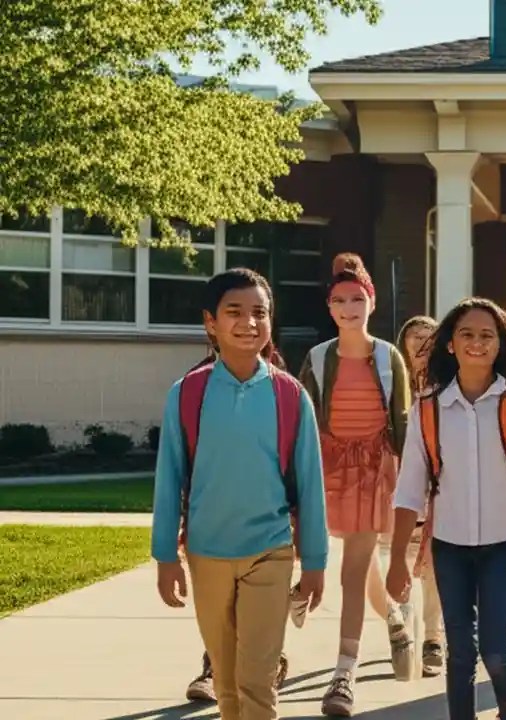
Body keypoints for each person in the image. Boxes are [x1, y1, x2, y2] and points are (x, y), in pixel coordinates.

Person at [153, 268, 327, 720]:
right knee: (227, 685)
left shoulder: (290, 396)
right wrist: (165, 557)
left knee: (257, 681)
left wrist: (315, 563)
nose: (249, 322)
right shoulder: (188, 394)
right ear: (211, 322)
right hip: (207, 553)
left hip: (270, 551)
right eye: (235, 312)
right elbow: (169, 479)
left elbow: (310, 485)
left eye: (260, 312)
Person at [387, 297, 506, 720]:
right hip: (449, 546)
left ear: (501, 345)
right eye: (466, 334)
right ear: (449, 344)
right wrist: (398, 562)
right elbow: (409, 489)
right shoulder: (427, 408)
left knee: (497, 650)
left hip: (504, 543)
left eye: (486, 335)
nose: (476, 343)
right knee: (460, 653)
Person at [298, 254, 413, 717]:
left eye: (357, 299)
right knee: (328, 557)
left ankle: (344, 674)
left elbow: (402, 423)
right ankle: (394, 618)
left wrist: (414, 487)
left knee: (353, 567)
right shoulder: (318, 357)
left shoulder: (389, 357)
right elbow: (301, 419)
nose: (349, 308)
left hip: (371, 469)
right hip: (326, 466)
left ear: (372, 302)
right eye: (340, 300)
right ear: (330, 307)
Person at [391, 314, 447, 677]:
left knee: (431, 567)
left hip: (435, 489)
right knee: (393, 563)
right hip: (393, 488)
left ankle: (432, 638)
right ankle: (400, 629)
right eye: (414, 336)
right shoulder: (392, 382)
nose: (421, 341)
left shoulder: (446, 385)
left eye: (428, 335)